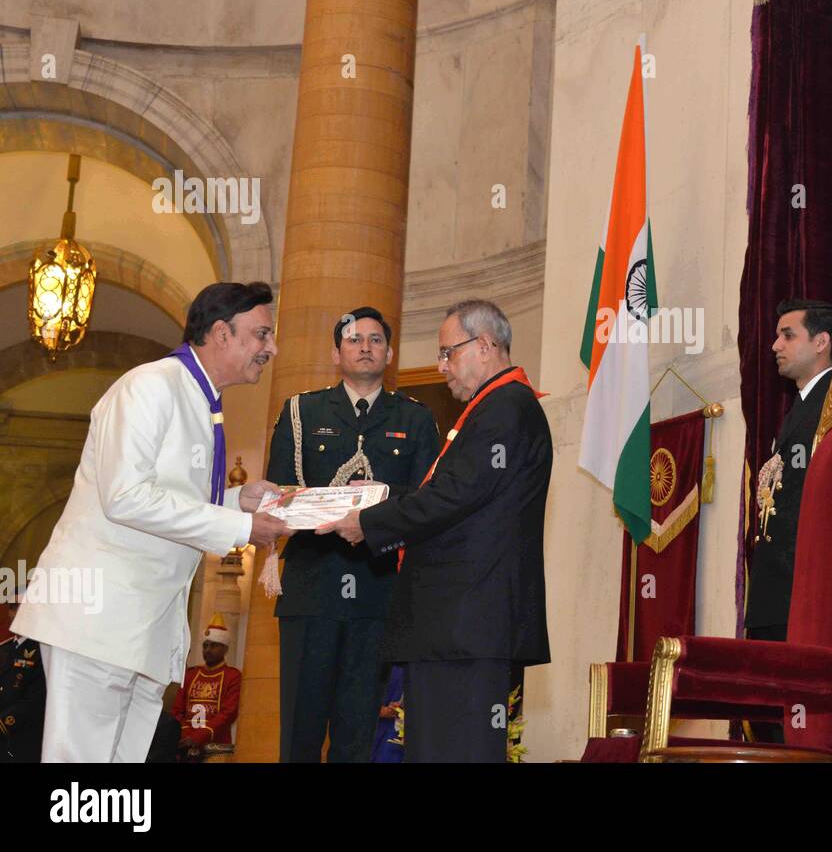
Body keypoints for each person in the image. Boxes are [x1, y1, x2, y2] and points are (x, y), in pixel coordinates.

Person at [12, 281, 290, 762]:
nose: (272, 347)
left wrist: (236, 501)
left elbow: (169, 501)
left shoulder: (199, 400)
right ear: (222, 333)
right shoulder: (151, 385)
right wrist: (242, 530)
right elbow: (125, 497)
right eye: (262, 334)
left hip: (141, 627)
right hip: (100, 618)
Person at [318, 299, 551, 762]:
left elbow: (454, 497)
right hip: (458, 625)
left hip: (469, 623)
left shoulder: (505, 407)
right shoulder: (495, 407)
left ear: (484, 345)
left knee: (456, 751)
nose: (441, 366)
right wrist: (385, 496)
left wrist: (368, 522)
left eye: (448, 353)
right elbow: (457, 493)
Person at [266, 307, 438, 762]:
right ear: (336, 352)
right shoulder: (302, 410)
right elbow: (277, 491)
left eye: (376, 339)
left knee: (358, 732)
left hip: (378, 592)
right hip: (311, 587)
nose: (365, 346)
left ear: (390, 351)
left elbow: (429, 501)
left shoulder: (416, 418)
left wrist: (382, 496)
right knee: (299, 732)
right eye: (354, 339)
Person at [746, 298, 832, 643]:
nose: (775, 345)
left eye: (788, 335)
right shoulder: (804, 405)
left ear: (821, 342)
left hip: (804, 590)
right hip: (780, 590)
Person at [172, 614, 242, 753]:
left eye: (214, 645)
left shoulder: (233, 676)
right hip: (185, 743)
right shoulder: (191, 674)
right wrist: (187, 736)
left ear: (225, 648)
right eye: (205, 645)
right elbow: (177, 711)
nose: (208, 650)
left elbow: (228, 714)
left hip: (216, 746)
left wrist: (198, 737)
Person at [0, 593, 44, 762]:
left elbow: (34, 700)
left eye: (21, 608)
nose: (15, 613)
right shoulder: (4, 648)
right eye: (12, 607)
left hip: (24, 741)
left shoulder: (43, 651)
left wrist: (4, 723)